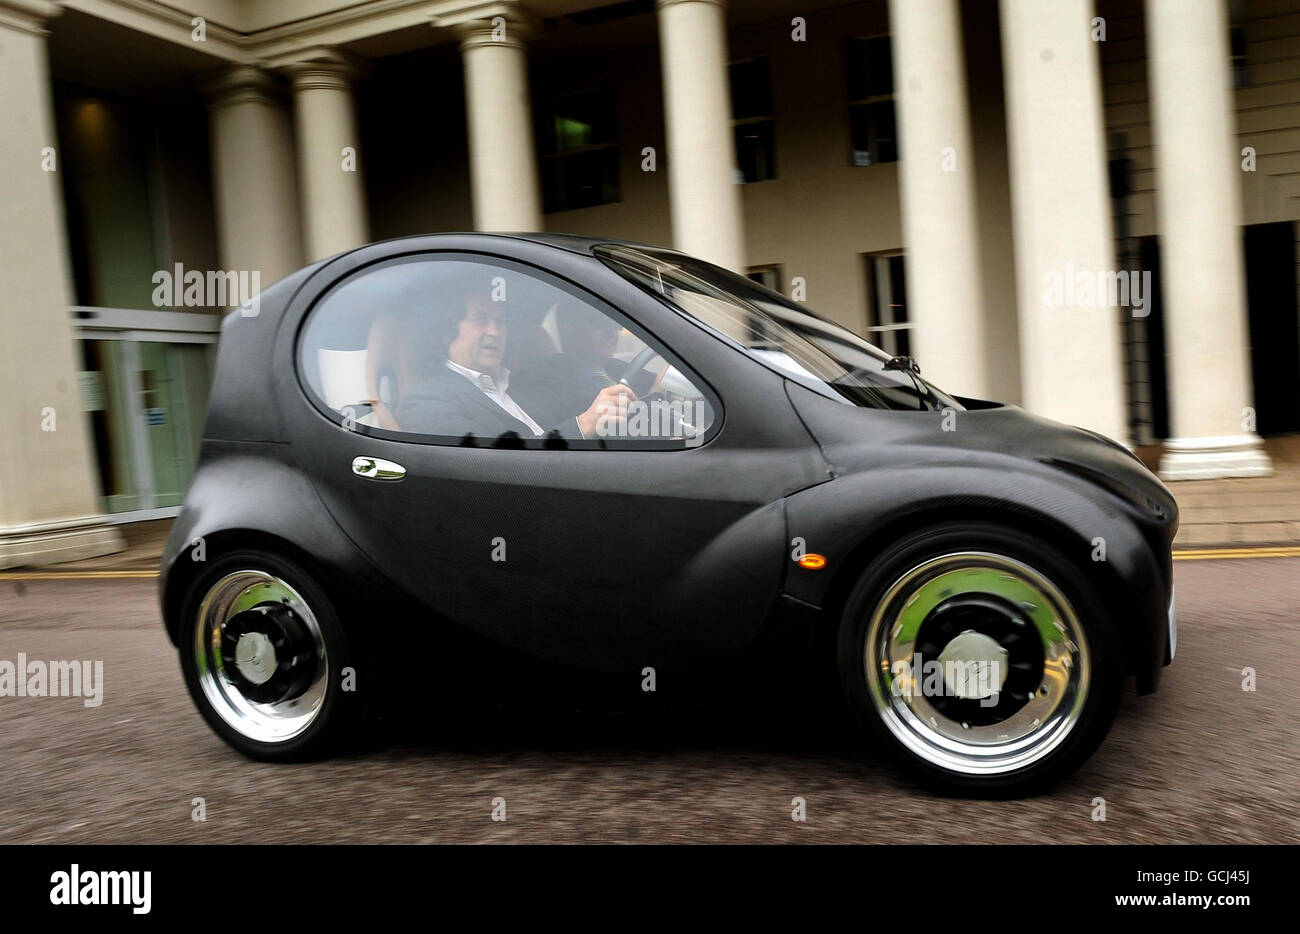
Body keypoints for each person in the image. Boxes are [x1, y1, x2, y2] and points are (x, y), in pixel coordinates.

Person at [396, 287, 633, 444]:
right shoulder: (426, 402)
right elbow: (494, 462)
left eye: (501, 322)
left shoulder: (524, 386)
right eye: (481, 320)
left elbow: (582, 407)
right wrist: (582, 426)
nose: (495, 332)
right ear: (448, 332)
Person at [511, 302, 658, 430]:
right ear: (569, 327)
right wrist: (655, 396)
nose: (611, 333)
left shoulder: (617, 367)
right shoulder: (543, 381)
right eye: (600, 323)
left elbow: (660, 382)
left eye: (615, 325)